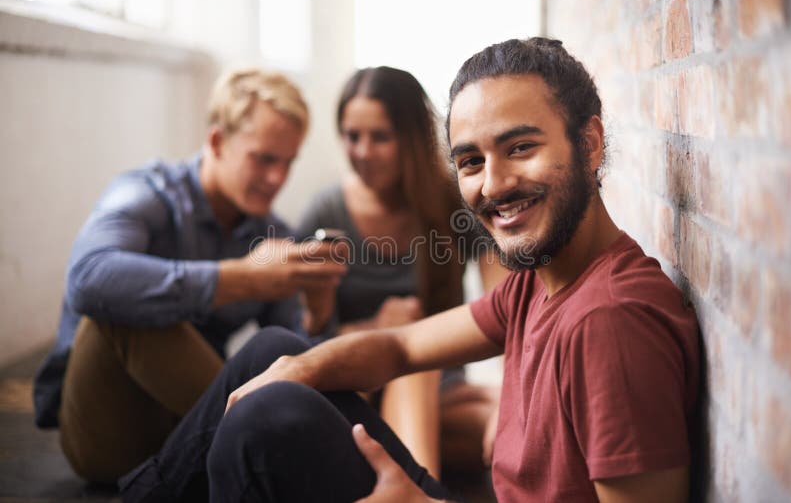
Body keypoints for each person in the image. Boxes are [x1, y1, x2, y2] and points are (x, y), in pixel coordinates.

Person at [120, 38, 700, 503]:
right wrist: (299, 365)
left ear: (590, 144)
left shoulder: (612, 322)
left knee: (262, 421)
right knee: (271, 355)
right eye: (471, 160)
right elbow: (399, 348)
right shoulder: (540, 283)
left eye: (520, 147)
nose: (492, 184)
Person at [32, 68, 347, 485]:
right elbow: (89, 278)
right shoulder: (148, 192)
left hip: (191, 430)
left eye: (288, 162)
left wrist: (317, 315)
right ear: (217, 141)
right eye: (264, 158)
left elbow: (295, 360)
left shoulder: (271, 232)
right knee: (121, 304)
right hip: (108, 435)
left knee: (277, 354)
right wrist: (243, 277)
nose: (278, 178)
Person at [296, 66, 506, 477]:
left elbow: (508, 309)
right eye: (352, 136)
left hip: (441, 390)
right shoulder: (326, 211)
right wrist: (378, 328)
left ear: (410, 138)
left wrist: (512, 398)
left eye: (380, 137)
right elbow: (302, 342)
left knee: (507, 417)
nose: (362, 151)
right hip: (355, 389)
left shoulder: (451, 203)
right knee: (425, 371)